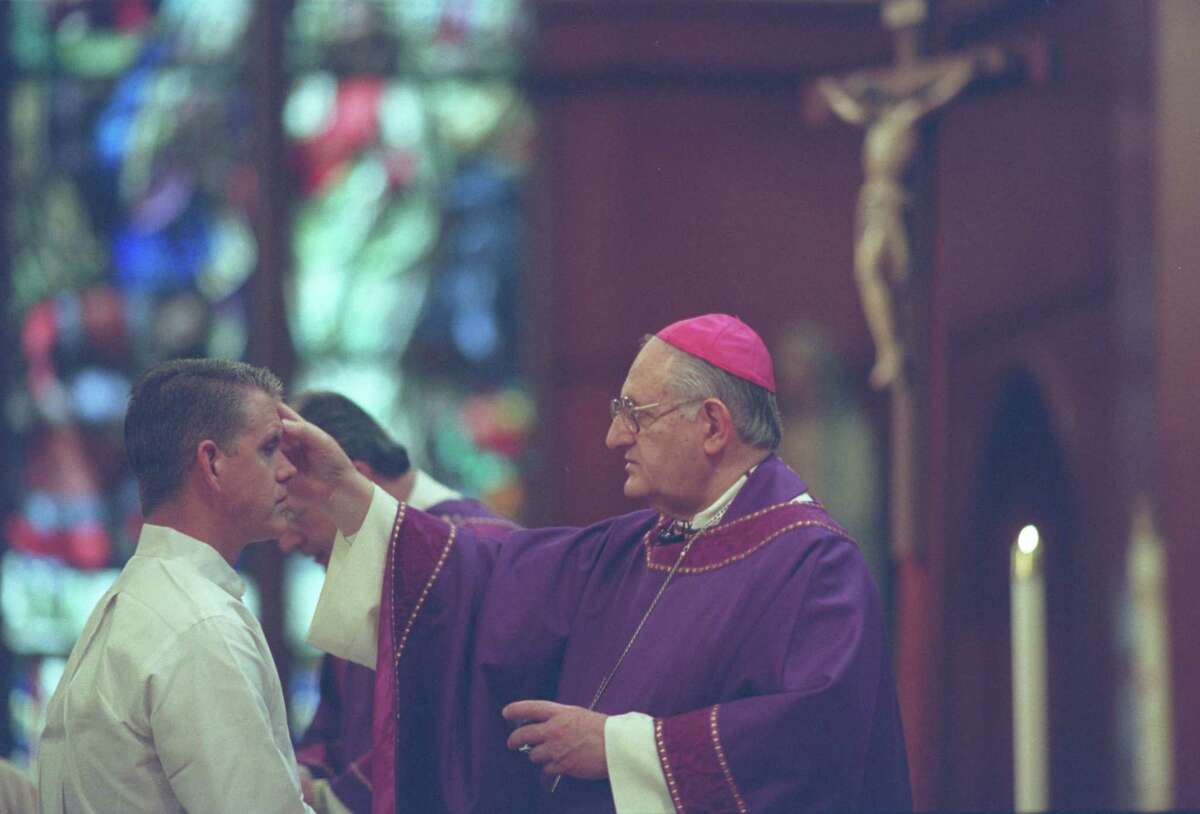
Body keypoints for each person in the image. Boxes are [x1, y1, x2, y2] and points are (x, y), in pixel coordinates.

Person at [284, 314, 912, 813]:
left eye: (635, 414)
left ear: (713, 426)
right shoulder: (634, 545)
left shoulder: (813, 565)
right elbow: (488, 576)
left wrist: (616, 747)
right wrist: (348, 494)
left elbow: (812, 746)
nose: (615, 437)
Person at [37, 359, 313, 814]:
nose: (288, 470)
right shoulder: (201, 625)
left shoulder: (141, 600)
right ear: (212, 462)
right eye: (270, 448)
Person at [280, 391, 517, 814]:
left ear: (351, 480)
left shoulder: (478, 554)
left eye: (295, 516)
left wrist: (327, 796)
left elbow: (457, 727)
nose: (287, 542)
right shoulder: (361, 558)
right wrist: (302, 774)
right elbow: (335, 723)